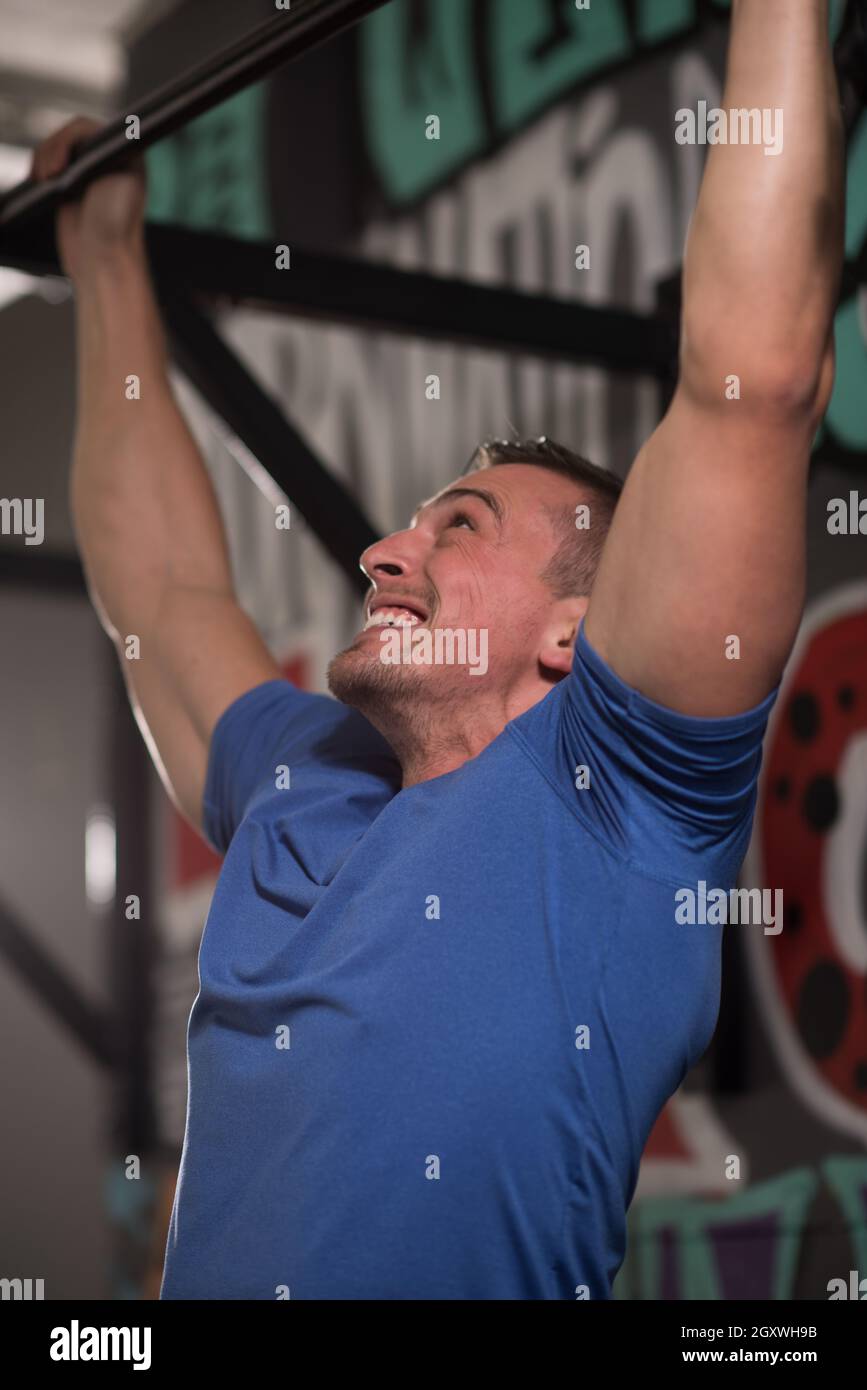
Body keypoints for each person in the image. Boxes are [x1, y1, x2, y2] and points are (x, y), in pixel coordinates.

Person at [35, 0, 844, 1299]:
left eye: (455, 526)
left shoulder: (616, 807)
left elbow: (752, 378)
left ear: (578, 631)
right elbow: (169, 590)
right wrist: (110, 253)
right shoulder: (303, 774)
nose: (383, 556)